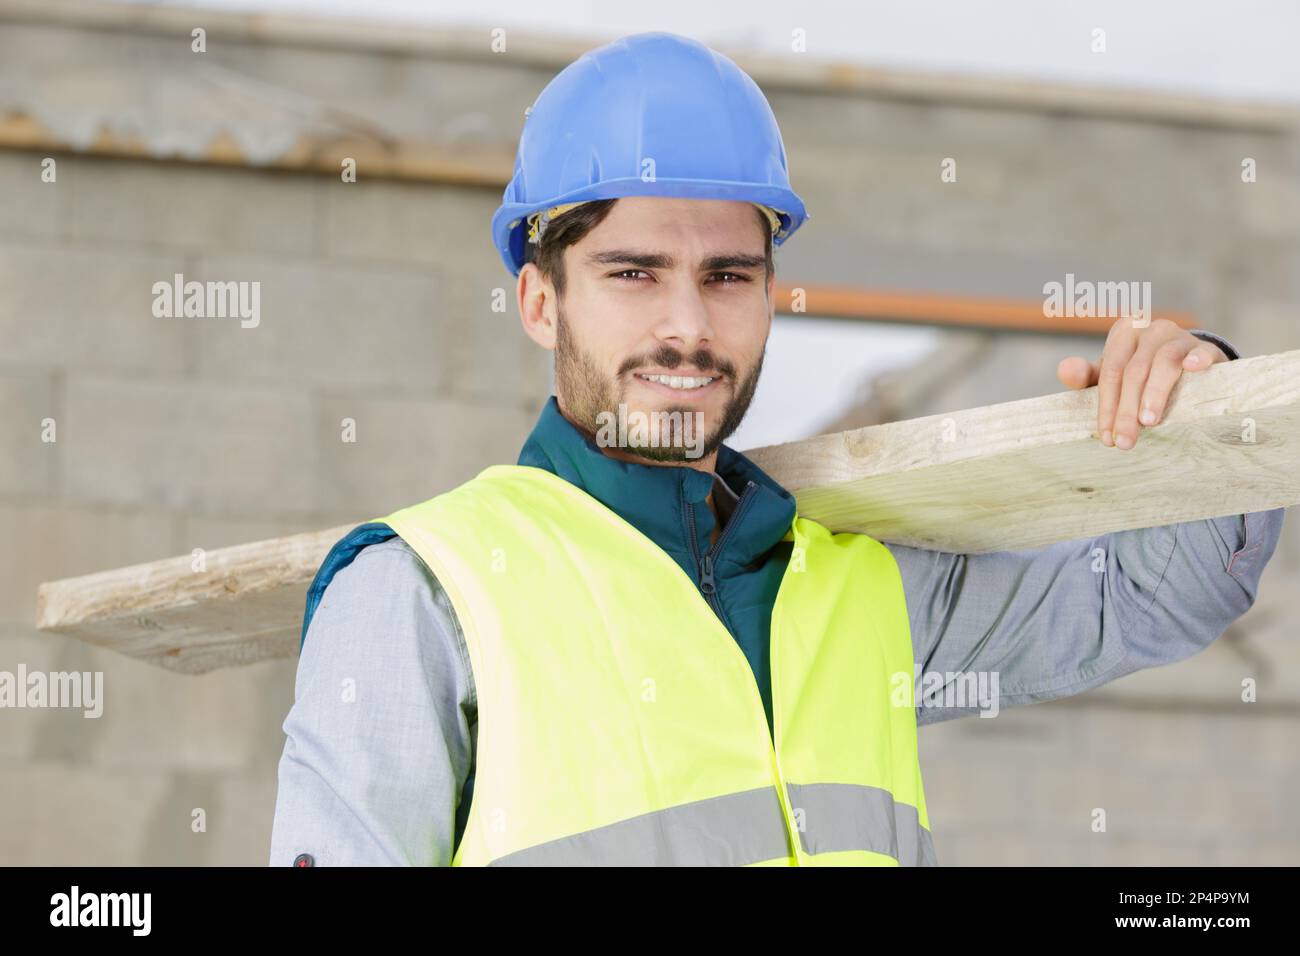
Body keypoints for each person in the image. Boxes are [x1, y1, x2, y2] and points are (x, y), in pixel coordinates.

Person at [269, 32, 1284, 867]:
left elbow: (1158, 593)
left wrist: (1203, 406)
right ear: (541, 302)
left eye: (726, 275)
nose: (686, 326)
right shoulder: (418, 592)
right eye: (632, 272)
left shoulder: (864, 592)